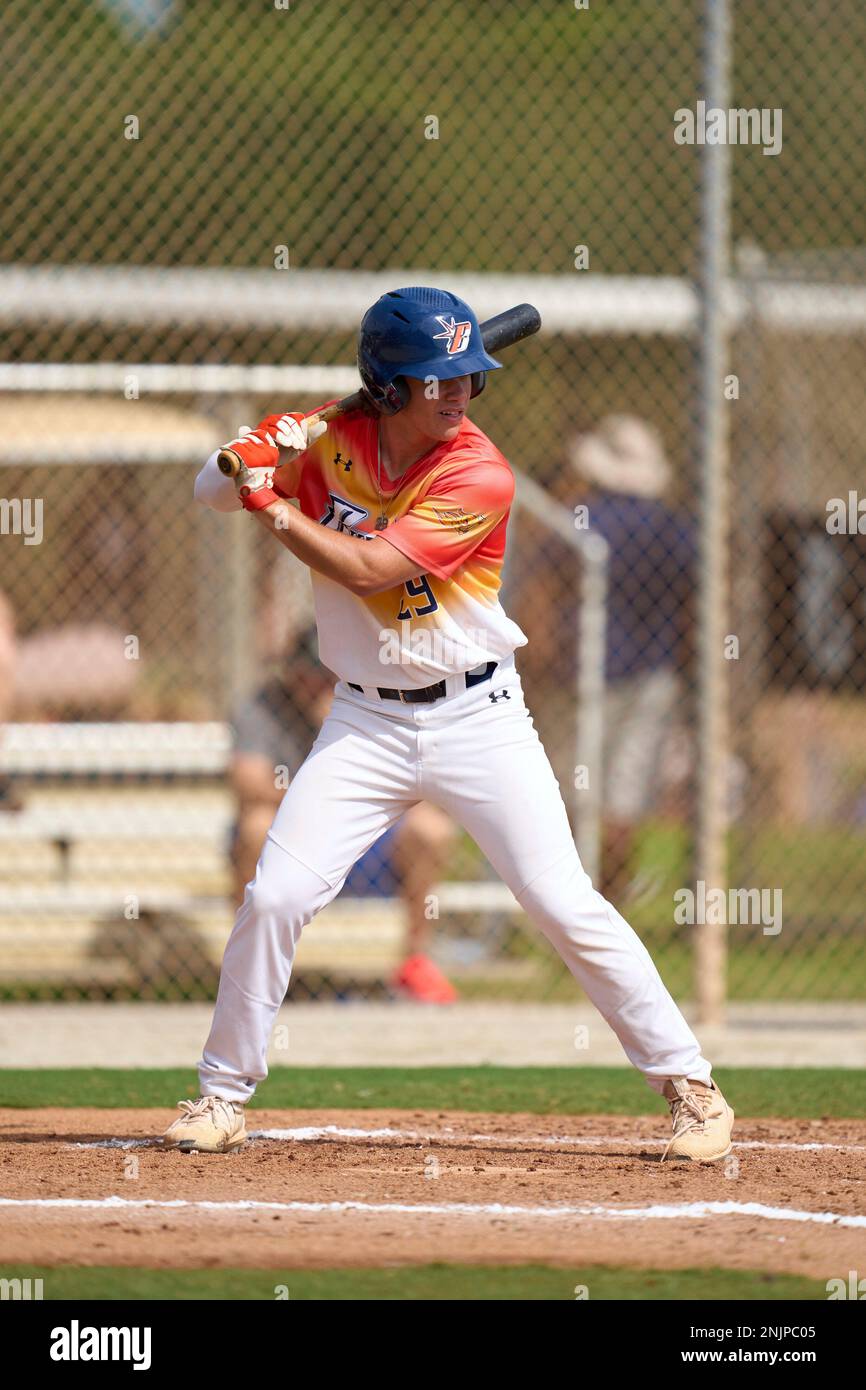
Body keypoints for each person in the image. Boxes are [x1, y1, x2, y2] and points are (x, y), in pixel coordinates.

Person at [164, 286, 733, 1162]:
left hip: (479, 715)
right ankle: (219, 1094)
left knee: (562, 901)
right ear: (388, 388)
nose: (462, 390)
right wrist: (262, 444)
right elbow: (210, 490)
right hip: (362, 721)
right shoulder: (330, 442)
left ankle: (691, 1087)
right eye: (439, 378)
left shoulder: (479, 470)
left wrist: (273, 505)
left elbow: (366, 569)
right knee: (276, 894)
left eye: (468, 373)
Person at [230, 623, 458, 1001]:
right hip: (292, 832)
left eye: (326, 675)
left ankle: (414, 965)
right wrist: (319, 795)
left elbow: (409, 780)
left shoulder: (370, 701)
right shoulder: (263, 706)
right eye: (307, 674)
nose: (315, 684)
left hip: (364, 836)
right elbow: (248, 781)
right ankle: (253, 970)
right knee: (255, 826)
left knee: (430, 829)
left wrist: (332, 721)